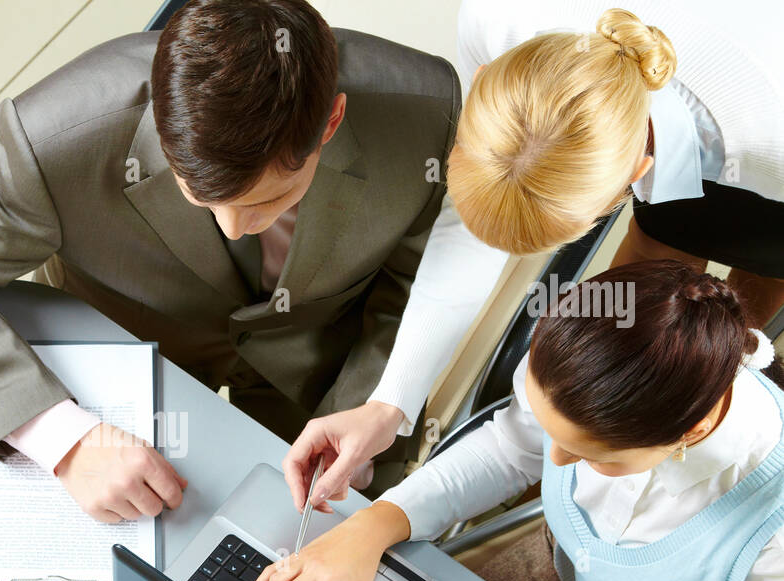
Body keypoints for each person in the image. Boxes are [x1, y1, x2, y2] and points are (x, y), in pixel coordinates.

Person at [0, 0, 486, 522]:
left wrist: (367, 406)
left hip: (331, 379)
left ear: (331, 123)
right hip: (120, 377)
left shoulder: (427, 115)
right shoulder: (51, 139)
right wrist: (67, 442)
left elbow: (414, 279)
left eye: (270, 200)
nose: (236, 227)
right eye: (203, 197)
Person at [251, 261, 784, 581]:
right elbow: (512, 448)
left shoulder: (772, 516)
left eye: (590, 456)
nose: (554, 463)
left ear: (689, 434)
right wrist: (373, 525)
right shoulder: (582, 361)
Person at [283, 0, 784, 515]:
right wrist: (389, 405)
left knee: (764, 277)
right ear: (483, 81)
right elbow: (477, 229)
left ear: (638, 171)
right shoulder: (497, 18)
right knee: (651, 284)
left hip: (770, 148)